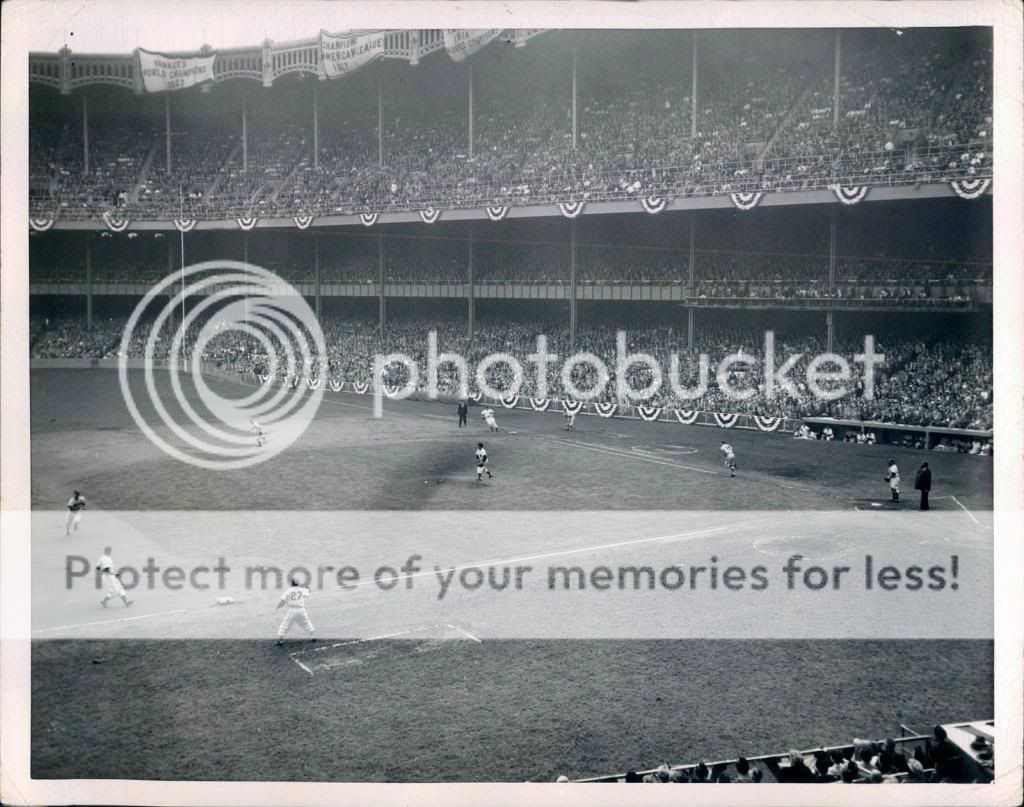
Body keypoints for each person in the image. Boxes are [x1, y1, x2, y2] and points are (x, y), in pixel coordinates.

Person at [275, 577, 315, 645]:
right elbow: (308, 592)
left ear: (291, 583)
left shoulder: (289, 590)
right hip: (301, 610)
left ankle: (280, 640)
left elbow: (283, 601)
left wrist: (278, 607)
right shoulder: (301, 590)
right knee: (306, 622)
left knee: (285, 624)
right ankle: (312, 636)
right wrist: (306, 586)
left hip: (292, 610)